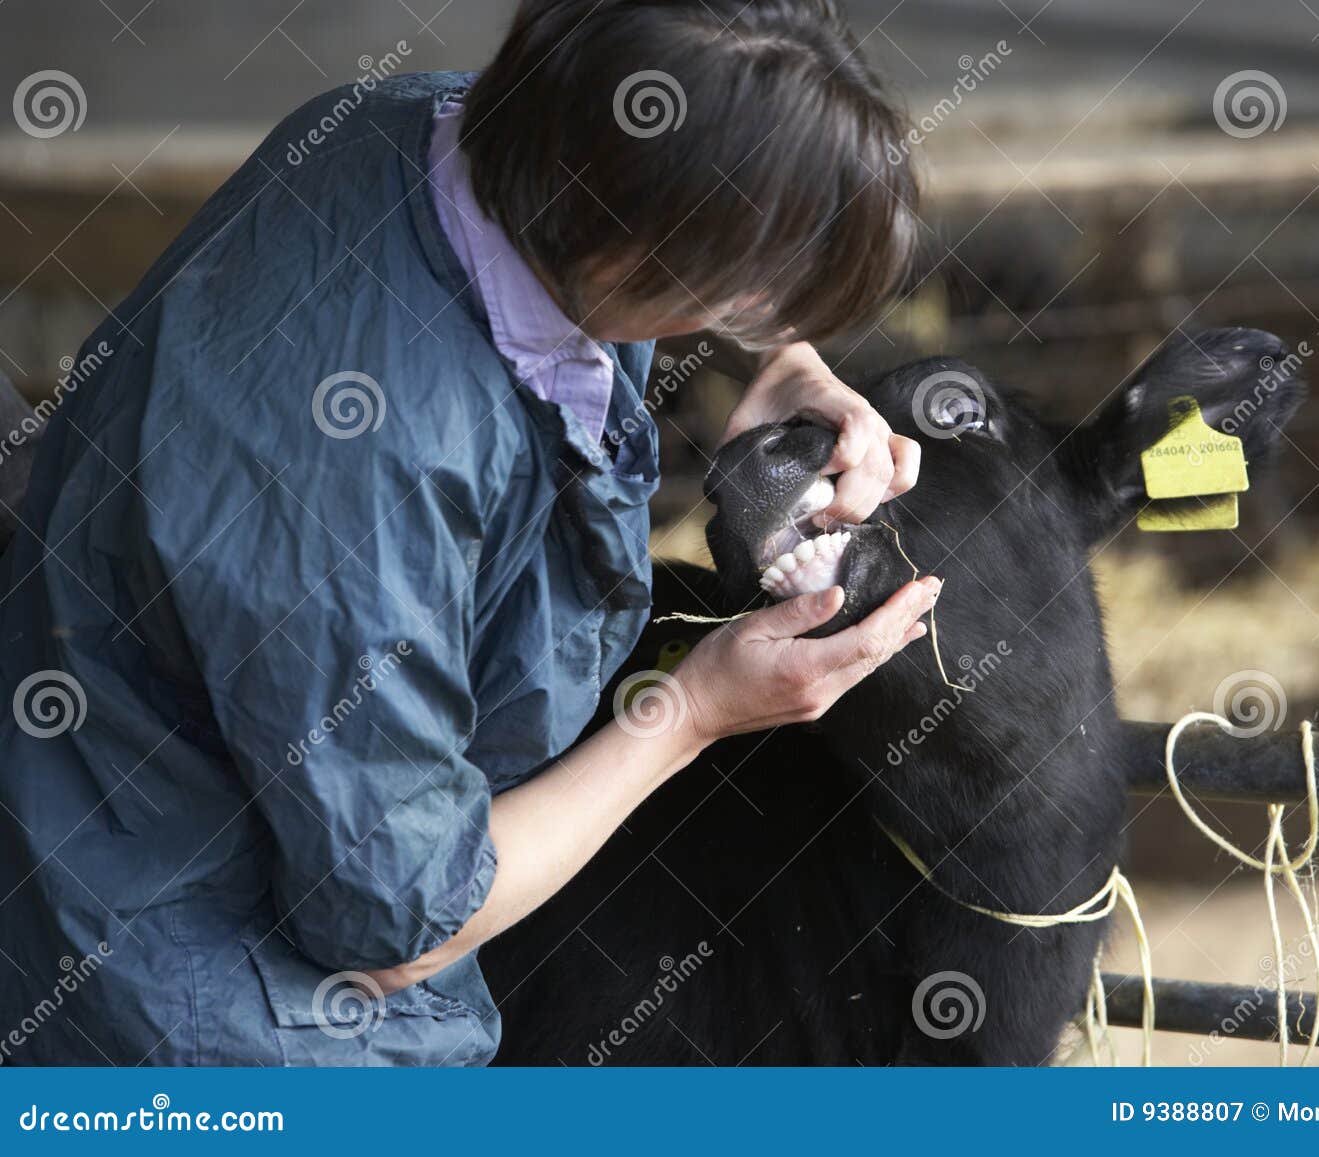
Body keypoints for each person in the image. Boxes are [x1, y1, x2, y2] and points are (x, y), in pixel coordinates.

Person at [0, 0, 940, 1066]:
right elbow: (398, 923)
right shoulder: (361, 480)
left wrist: (788, 365)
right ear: (640, 249)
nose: (763, 317)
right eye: (758, 290)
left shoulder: (413, 126)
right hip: (204, 1020)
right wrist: (692, 712)